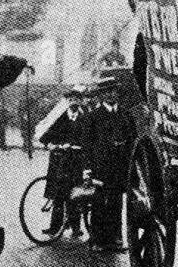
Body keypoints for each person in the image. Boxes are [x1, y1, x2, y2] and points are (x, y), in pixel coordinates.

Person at [80, 78, 132, 252]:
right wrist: (87, 168)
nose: (111, 94)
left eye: (114, 91)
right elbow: (87, 144)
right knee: (99, 202)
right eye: (107, 92)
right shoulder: (93, 116)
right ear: (102, 95)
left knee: (117, 202)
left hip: (119, 166)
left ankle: (116, 239)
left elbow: (132, 140)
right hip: (100, 166)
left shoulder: (125, 114)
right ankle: (97, 240)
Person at [39, 87, 88, 238]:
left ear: (80, 101)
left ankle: (75, 227)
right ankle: (55, 227)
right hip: (60, 161)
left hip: (77, 161)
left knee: (75, 194)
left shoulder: (85, 118)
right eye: (71, 99)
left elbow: (88, 138)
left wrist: (81, 147)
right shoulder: (60, 118)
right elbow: (45, 136)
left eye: (77, 99)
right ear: (67, 101)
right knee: (58, 194)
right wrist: (53, 145)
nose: (74, 101)